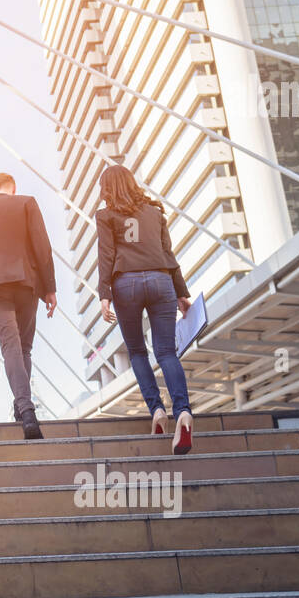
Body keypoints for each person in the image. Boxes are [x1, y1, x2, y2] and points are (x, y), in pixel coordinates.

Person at [95, 164, 194, 454]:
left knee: (137, 351)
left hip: (127, 285)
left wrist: (104, 294)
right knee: (166, 352)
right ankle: (183, 411)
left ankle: (157, 411)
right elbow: (168, 254)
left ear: (107, 189)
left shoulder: (105, 215)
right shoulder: (155, 213)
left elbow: (106, 254)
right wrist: (181, 293)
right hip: (162, 280)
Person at [0, 173, 57, 440]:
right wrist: (49, 288)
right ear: (13, 189)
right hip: (26, 283)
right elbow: (42, 246)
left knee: (10, 347)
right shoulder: (26, 203)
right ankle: (25, 407)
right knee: (24, 347)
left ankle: (24, 407)